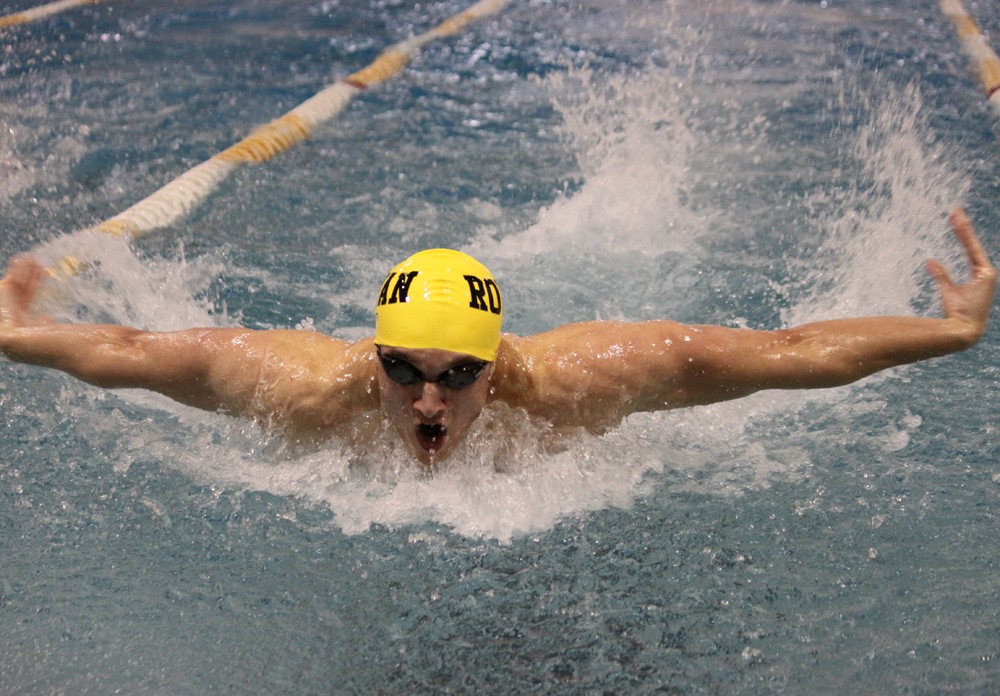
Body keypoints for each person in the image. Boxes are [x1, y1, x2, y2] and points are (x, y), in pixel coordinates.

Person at [0, 209, 995, 467]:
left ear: (498, 365)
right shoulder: (304, 388)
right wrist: (16, 333)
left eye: (457, 376)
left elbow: (789, 352)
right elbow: (131, 351)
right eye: (403, 372)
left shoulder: (581, 381)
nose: (427, 404)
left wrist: (947, 335)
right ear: (373, 354)